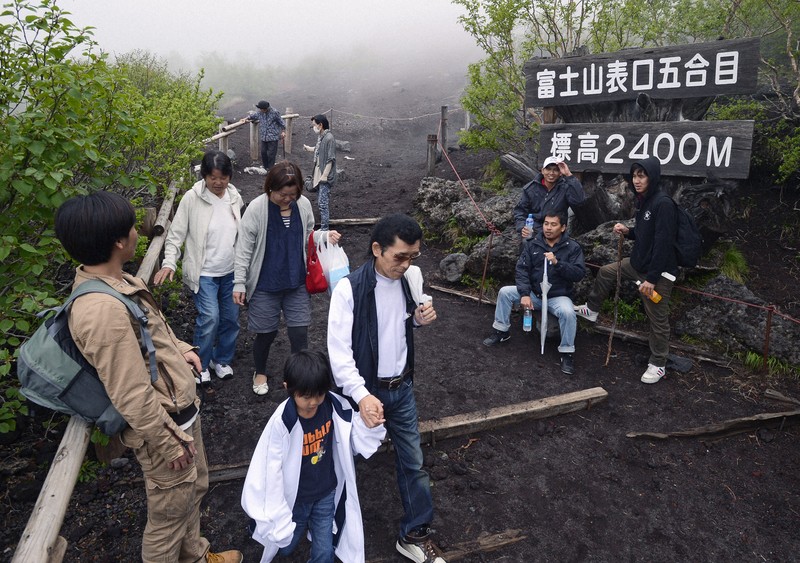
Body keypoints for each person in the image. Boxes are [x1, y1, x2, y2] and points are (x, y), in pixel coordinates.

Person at [54, 191, 241, 563]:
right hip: (164, 430)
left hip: (180, 415)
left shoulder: (114, 279)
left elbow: (150, 329)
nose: (139, 231)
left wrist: (181, 346)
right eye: (131, 226)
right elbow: (130, 392)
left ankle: (196, 555)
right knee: (168, 517)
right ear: (120, 242)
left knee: (194, 488)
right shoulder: (100, 311)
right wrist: (170, 443)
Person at [327, 214, 446, 563]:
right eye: (400, 256)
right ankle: (330, 529)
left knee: (413, 462)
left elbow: (402, 324)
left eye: (413, 256)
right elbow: (339, 353)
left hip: (402, 388)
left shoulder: (411, 277)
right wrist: (362, 396)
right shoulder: (350, 289)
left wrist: (421, 320)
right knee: (343, 463)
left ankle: (414, 534)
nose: (407, 264)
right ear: (377, 249)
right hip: (363, 392)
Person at [241, 350, 386, 563]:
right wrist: (275, 514)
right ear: (288, 389)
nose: (314, 402)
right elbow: (268, 467)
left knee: (324, 551)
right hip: (297, 498)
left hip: (326, 492)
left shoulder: (333, 406)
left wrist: (369, 424)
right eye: (306, 396)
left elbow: (352, 435)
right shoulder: (284, 422)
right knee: (286, 545)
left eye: (319, 394)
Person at [233, 160, 341, 396]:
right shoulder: (256, 209)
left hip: (296, 282)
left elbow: (308, 236)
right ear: (270, 188)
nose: (287, 199)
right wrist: (239, 282)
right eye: (283, 194)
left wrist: (324, 236)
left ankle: (298, 379)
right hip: (265, 284)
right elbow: (244, 249)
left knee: (299, 333)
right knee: (266, 333)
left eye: (292, 194)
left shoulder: (302, 206)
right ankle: (260, 371)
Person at [573, 156, 678, 384]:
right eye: (634, 176)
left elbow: (663, 244)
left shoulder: (664, 204)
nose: (637, 180)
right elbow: (645, 234)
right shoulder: (644, 201)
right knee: (607, 272)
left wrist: (651, 279)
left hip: (658, 273)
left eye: (642, 176)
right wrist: (628, 232)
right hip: (638, 264)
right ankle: (591, 309)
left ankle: (658, 363)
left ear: (653, 177)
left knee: (657, 319)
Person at [154, 150, 242, 386]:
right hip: (204, 273)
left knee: (231, 318)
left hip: (230, 271)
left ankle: (221, 359)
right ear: (204, 176)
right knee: (210, 317)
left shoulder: (234, 197)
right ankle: (200, 362)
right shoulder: (192, 199)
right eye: (213, 177)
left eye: (223, 177)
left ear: (230, 177)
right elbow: (176, 234)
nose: (218, 182)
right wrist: (169, 262)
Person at [483, 211, 586, 374]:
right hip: (534, 293)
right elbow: (522, 269)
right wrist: (524, 294)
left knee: (567, 312)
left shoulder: (572, 248)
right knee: (505, 292)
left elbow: (579, 274)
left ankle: (567, 353)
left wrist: (558, 263)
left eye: (553, 225)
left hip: (557, 296)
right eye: (546, 224)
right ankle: (501, 331)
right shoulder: (533, 244)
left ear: (563, 227)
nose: (548, 228)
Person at [513, 155, 585, 238]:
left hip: (557, 231)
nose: (551, 173)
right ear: (543, 171)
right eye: (548, 169)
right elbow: (520, 212)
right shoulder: (530, 188)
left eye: (556, 170)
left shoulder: (566, 188)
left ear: (560, 173)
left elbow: (579, 201)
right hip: (534, 230)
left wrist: (569, 175)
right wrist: (522, 227)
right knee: (526, 242)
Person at [303, 114, 337, 230]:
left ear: (320, 125)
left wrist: (325, 176)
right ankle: (323, 227)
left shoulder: (329, 138)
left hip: (324, 175)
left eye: (314, 125)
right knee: (320, 202)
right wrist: (309, 149)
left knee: (323, 204)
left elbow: (330, 159)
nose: (313, 127)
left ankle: (324, 229)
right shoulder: (322, 137)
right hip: (318, 172)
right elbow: (319, 150)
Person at [246, 100, 286, 171]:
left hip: (273, 137)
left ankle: (271, 169)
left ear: (266, 108)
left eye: (262, 109)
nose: (261, 110)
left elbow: (281, 122)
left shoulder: (274, 112)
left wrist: (283, 131)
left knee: (271, 154)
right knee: (263, 152)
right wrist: (246, 118)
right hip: (264, 137)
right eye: (260, 109)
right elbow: (253, 116)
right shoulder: (260, 113)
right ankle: (266, 167)